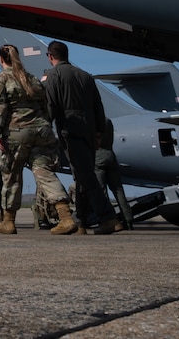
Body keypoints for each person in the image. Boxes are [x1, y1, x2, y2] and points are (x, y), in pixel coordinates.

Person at [0, 43, 78, 235]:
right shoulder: (31, 78)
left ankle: (8, 221)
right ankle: (66, 217)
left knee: (11, 175)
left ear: (1, 59)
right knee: (44, 172)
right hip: (42, 131)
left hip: (17, 132)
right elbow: (46, 106)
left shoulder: (1, 79)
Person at [43, 41, 123, 235]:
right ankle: (81, 222)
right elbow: (98, 107)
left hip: (70, 128)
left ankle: (108, 218)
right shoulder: (85, 75)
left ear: (50, 56)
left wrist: (44, 129)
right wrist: (98, 133)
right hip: (89, 129)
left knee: (85, 175)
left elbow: (51, 105)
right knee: (81, 175)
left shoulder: (54, 75)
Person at [96, 119, 134, 230]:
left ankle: (108, 219)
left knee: (101, 191)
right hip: (110, 155)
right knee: (118, 190)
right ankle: (128, 219)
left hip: (98, 157)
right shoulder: (108, 121)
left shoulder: (92, 121)